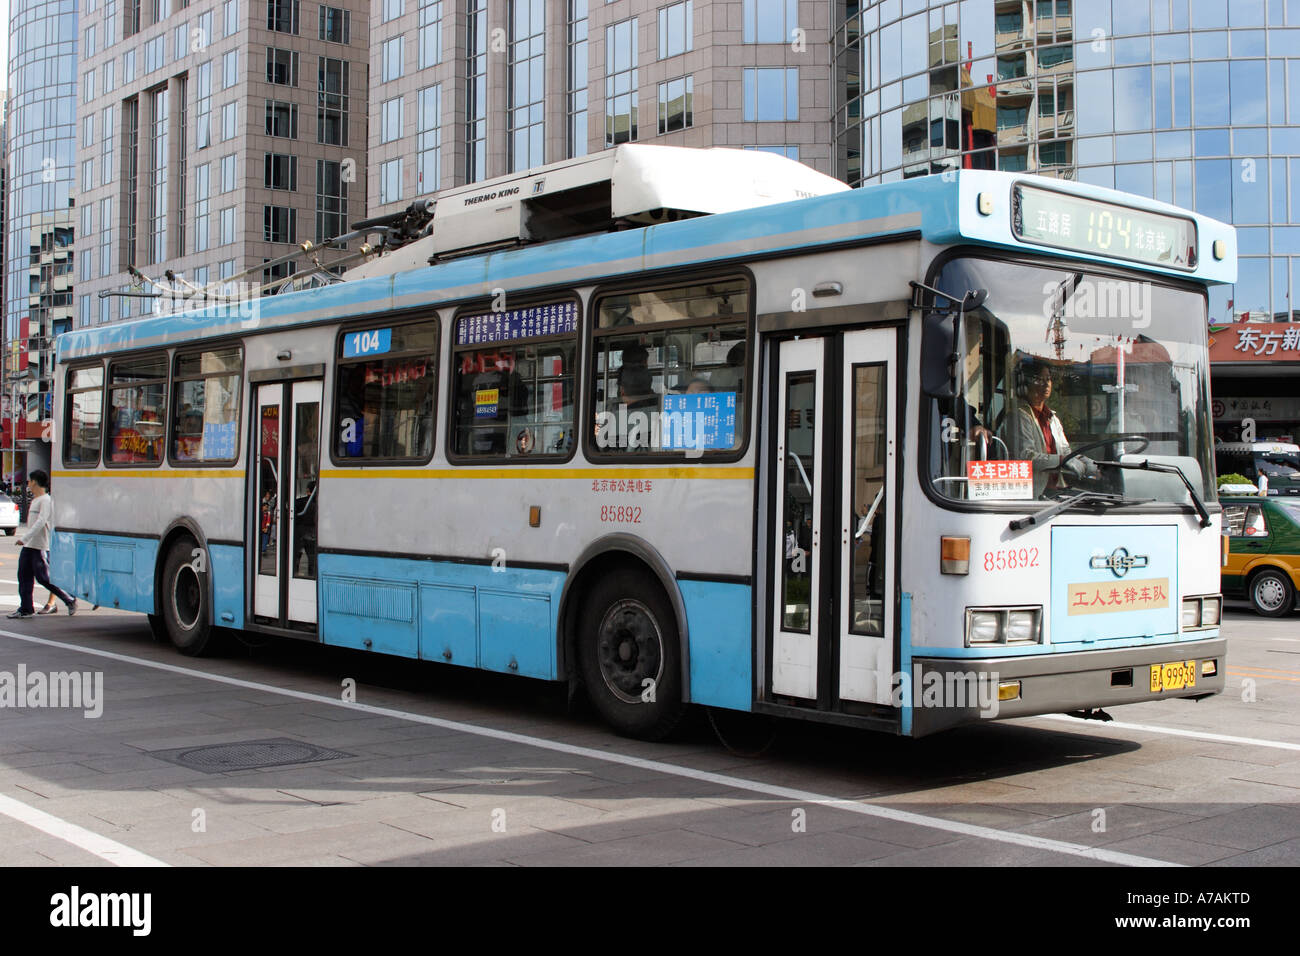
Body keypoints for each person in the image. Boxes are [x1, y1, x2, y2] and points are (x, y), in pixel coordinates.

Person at [1007, 359, 1095, 495]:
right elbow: (1025, 456)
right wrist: (1061, 460)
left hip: (1057, 489)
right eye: (1039, 379)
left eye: (1048, 379)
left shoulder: (1052, 418)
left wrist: (1085, 461)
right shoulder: (1020, 415)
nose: (1046, 384)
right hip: (1034, 493)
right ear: (1025, 383)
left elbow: (1066, 451)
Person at [8, 470, 77, 619]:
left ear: (35, 482)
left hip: (40, 546)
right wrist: (26, 541)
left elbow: (41, 522)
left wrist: (24, 538)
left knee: (44, 578)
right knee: (24, 576)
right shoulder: (36, 500)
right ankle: (26, 608)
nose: (29, 485)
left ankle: (70, 599)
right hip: (29, 547)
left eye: (30, 481)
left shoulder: (46, 500)